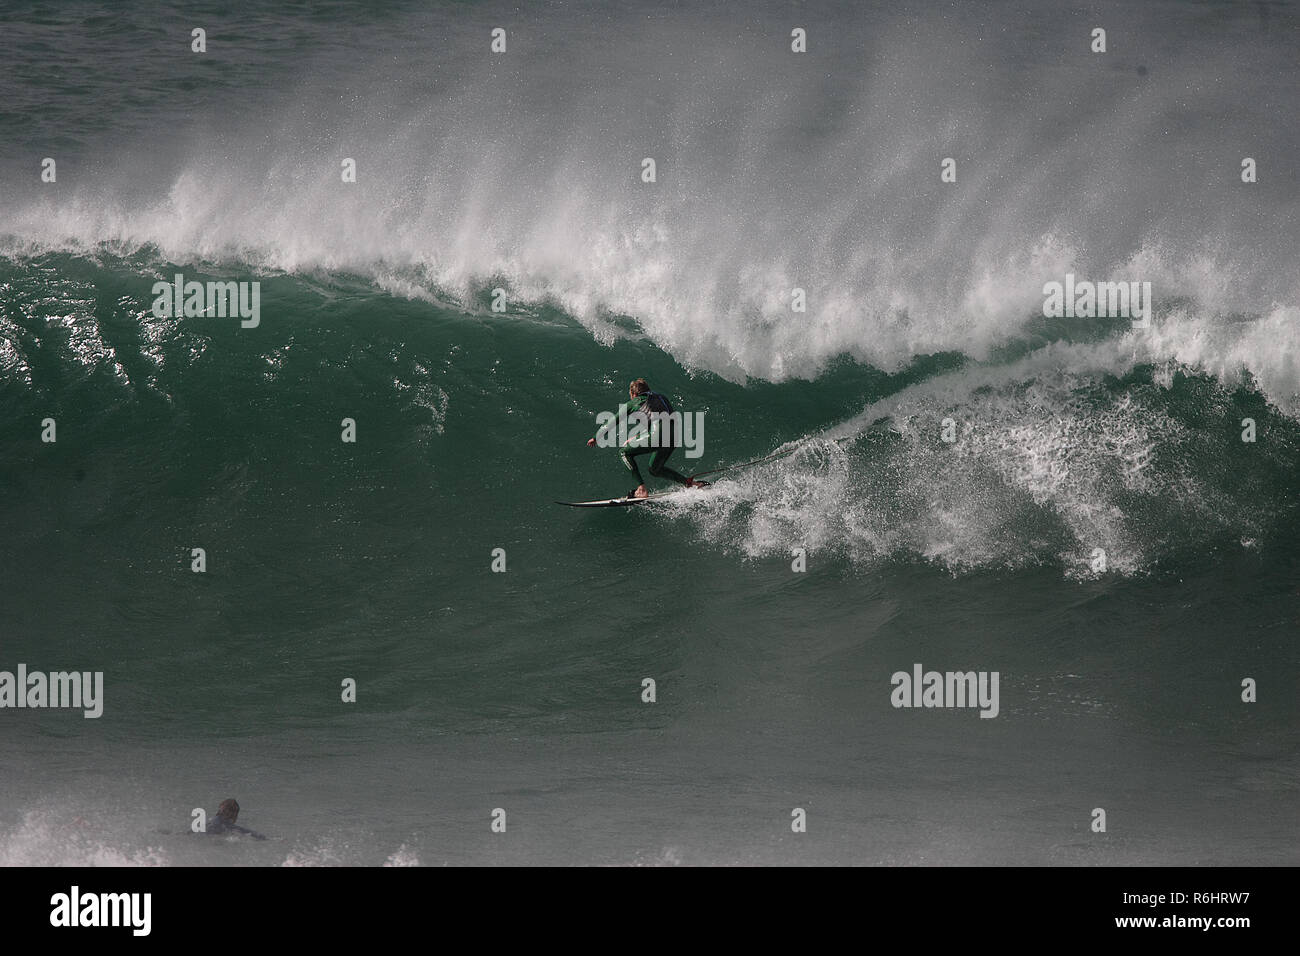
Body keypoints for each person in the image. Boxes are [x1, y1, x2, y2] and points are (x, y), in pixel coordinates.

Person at [587, 378, 709, 498]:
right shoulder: (661, 397)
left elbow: (612, 421)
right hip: (674, 436)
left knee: (623, 453)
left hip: (658, 435)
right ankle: (691, 484)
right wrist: (637, 437)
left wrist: (595, 437)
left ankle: (641, 489)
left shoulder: (634, 402)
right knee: (654, 469)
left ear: (634, 394)